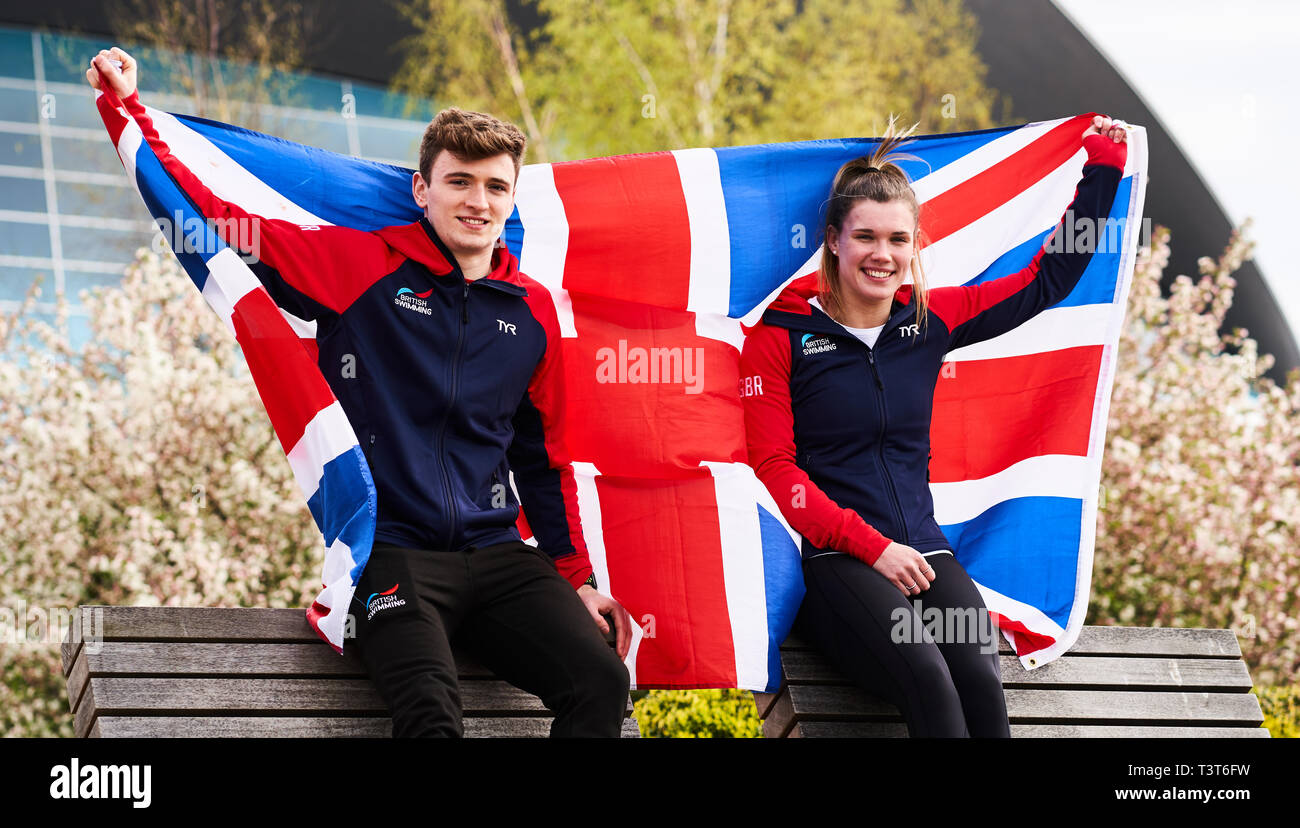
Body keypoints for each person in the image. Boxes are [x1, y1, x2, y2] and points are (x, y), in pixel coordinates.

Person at [87, 47, 632, 738]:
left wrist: (576, 577)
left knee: (601, 681)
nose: (479, 201)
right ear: (421, 190)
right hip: (392, 554)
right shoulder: (358, 267)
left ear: (512, 198)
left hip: (499, 557)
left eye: (496, 187)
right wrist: (129, 108)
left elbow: (542, 460)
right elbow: (221, 217)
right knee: (432, 717)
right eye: (459, 182)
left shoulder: (535, 312)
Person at [740, 115, 1128, 737]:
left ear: (915, 245)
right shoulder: (779, 338)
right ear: (833, 241)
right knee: (930, 682)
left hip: (925, 550)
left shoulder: (931, 319)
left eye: (898, 239)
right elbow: (775, 472)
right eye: (865, 236)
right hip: (832, 561)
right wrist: (873, 548)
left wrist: (1102, 170)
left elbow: (1047, 282)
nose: (882, 254)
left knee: (980, 682)